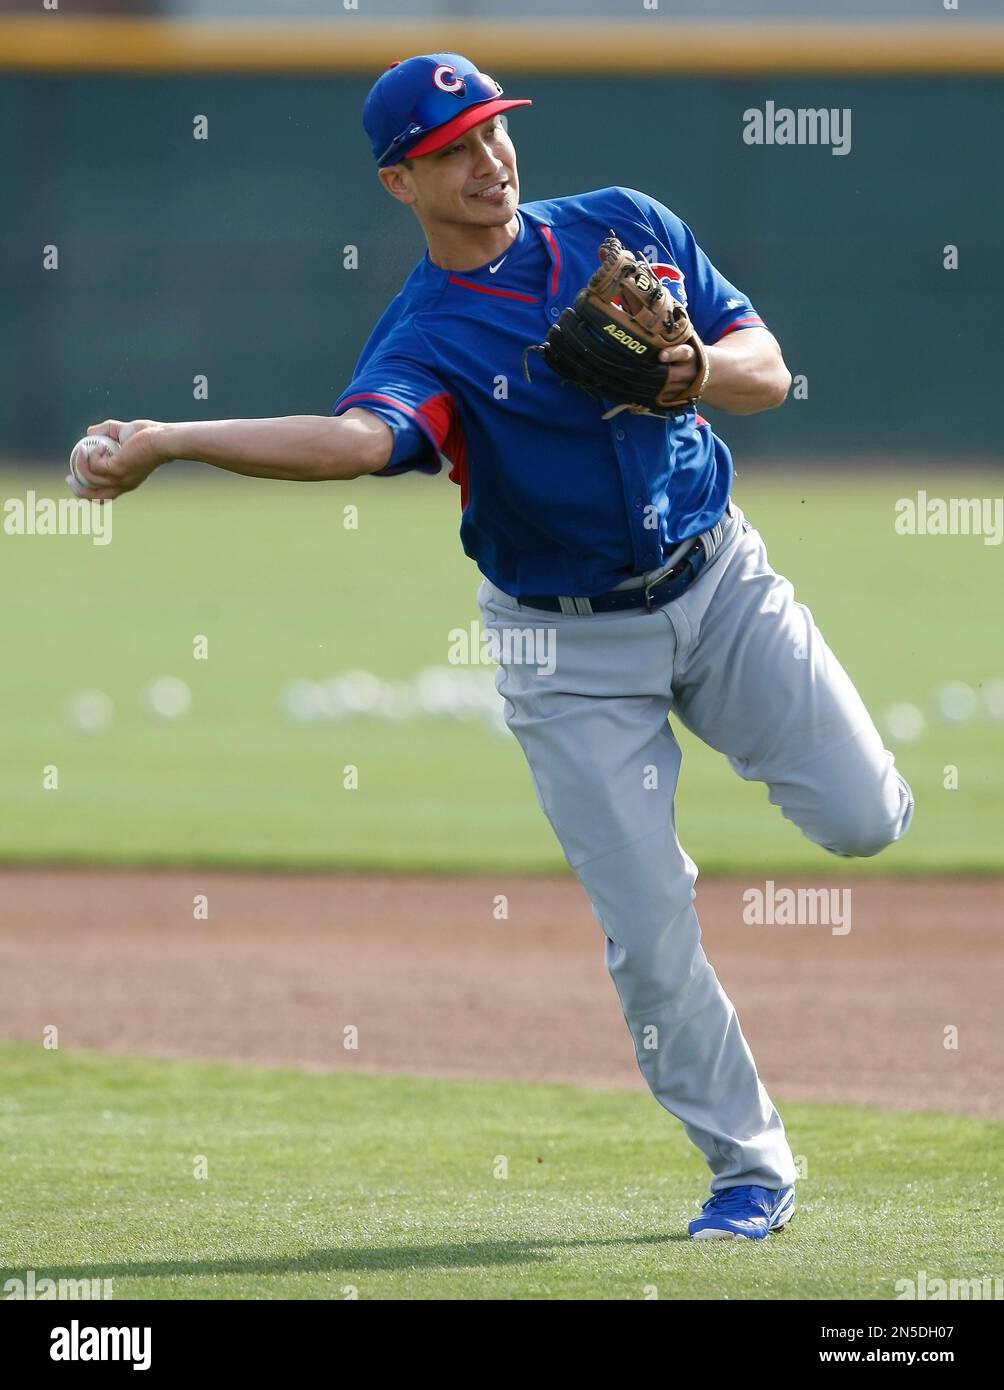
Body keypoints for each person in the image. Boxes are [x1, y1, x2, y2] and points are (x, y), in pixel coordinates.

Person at [76, 52, 914, 1241]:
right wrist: (172, 439)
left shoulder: (623, 226)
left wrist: (692, 369)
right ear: (398, 183)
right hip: (565, 653)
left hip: (719, 582)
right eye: (453, 149)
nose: (488, 160)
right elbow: (358, 444)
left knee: (864, 818)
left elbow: (766, 374)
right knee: (648, 928)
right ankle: (749, 1169)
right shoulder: (426, 333)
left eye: (494, 131)